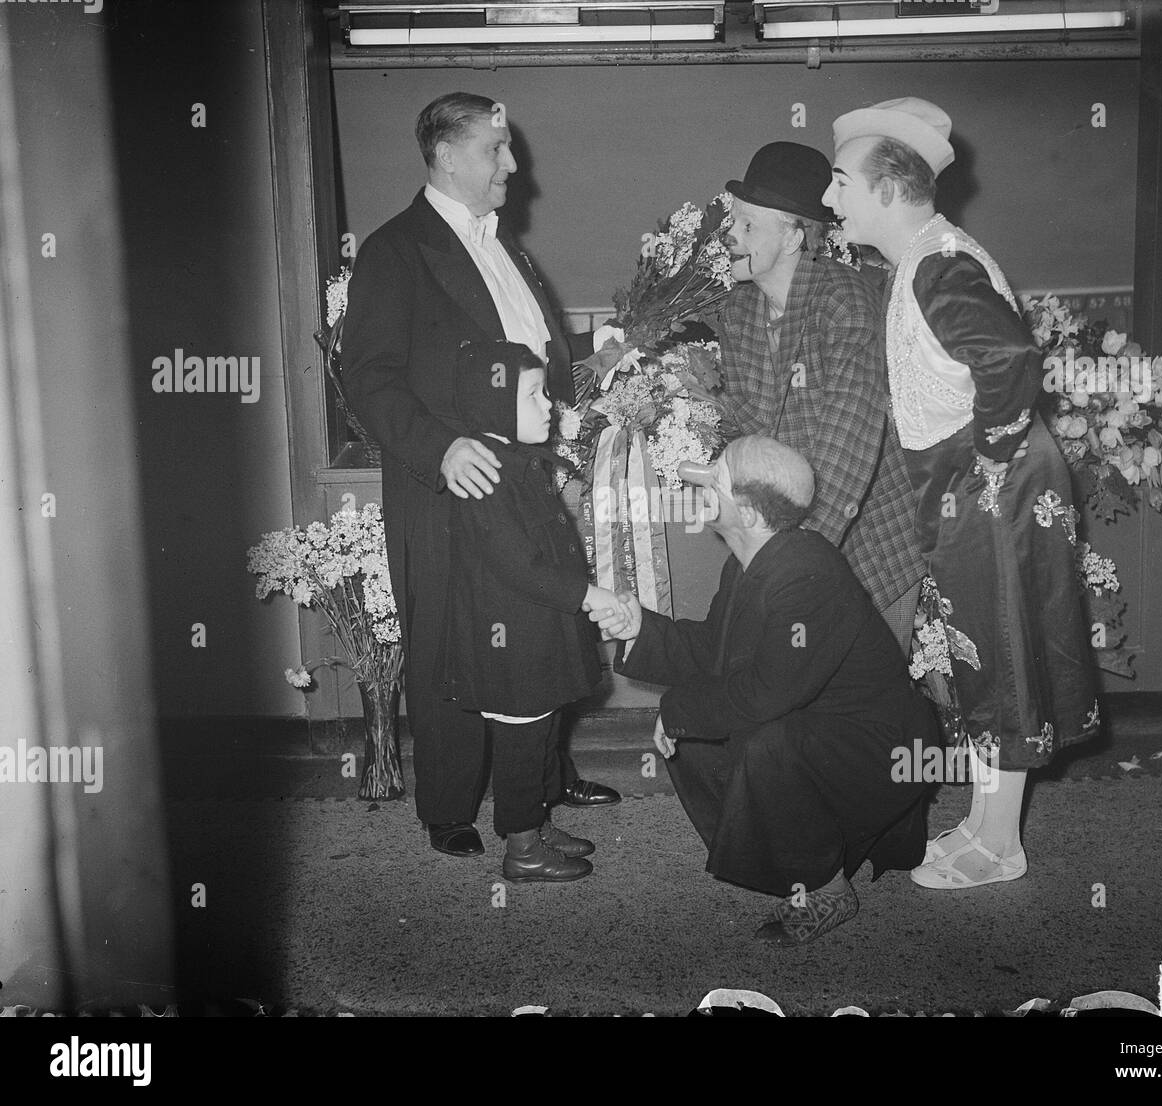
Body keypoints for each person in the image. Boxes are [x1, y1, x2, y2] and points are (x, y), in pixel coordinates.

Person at [822, 97, 1100, 889]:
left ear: (888, 188)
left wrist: (988, 458)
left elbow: (1008, 360)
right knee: (975, 652)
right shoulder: (919, 259)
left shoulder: (940, 262)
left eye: (842, 182)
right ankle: (986, 822)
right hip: (972, 478)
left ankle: (1001, 845)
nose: (830, 199)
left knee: (999, 655)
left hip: (992, 479)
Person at [341, 92, 619, 861]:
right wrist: (440, 450)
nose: (513, 164)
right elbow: (367, 376)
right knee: (449, 642)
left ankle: (539, 789)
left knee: (539, 624)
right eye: (496, 150)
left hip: (526, 473)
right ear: (449, 156)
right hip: (449, 484)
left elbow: (539, 364)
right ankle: (452, 806)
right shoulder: (395, 250)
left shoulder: (508, 247)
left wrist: (562, 450)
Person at [591, 436, 939, 944]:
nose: (700, 477)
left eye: (717, 475)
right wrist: (639, 627)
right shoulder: (750, 560)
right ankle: (788, 853)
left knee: (765, 742)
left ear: (749, 513)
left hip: (886, 748)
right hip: (829, 729)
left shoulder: (808, 573)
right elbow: (713, 651)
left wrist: (679, 709)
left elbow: (765, 694)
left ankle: (826, 888)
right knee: (710, 732)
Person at [716, 142, 925, 654]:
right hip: (790, 541)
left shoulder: (844, 301)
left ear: (792, 236)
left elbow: (847, 451)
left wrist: (786, 561)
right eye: (733, 223)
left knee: (867, 710)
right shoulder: (740, 312)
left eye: (748, 226)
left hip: (871, 545)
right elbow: (750, 431)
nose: (730, 238)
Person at [440, 341, 624, 882]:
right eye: (534, 395)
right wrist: (588, 596)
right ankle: (521, 848)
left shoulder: (519, 463)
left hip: (537, 628)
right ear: (493, 403)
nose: (550, 406)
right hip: (510, 641)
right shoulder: (487, 477)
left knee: (543, 730)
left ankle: (536, 822)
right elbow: (518, 567)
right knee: (522, 742)